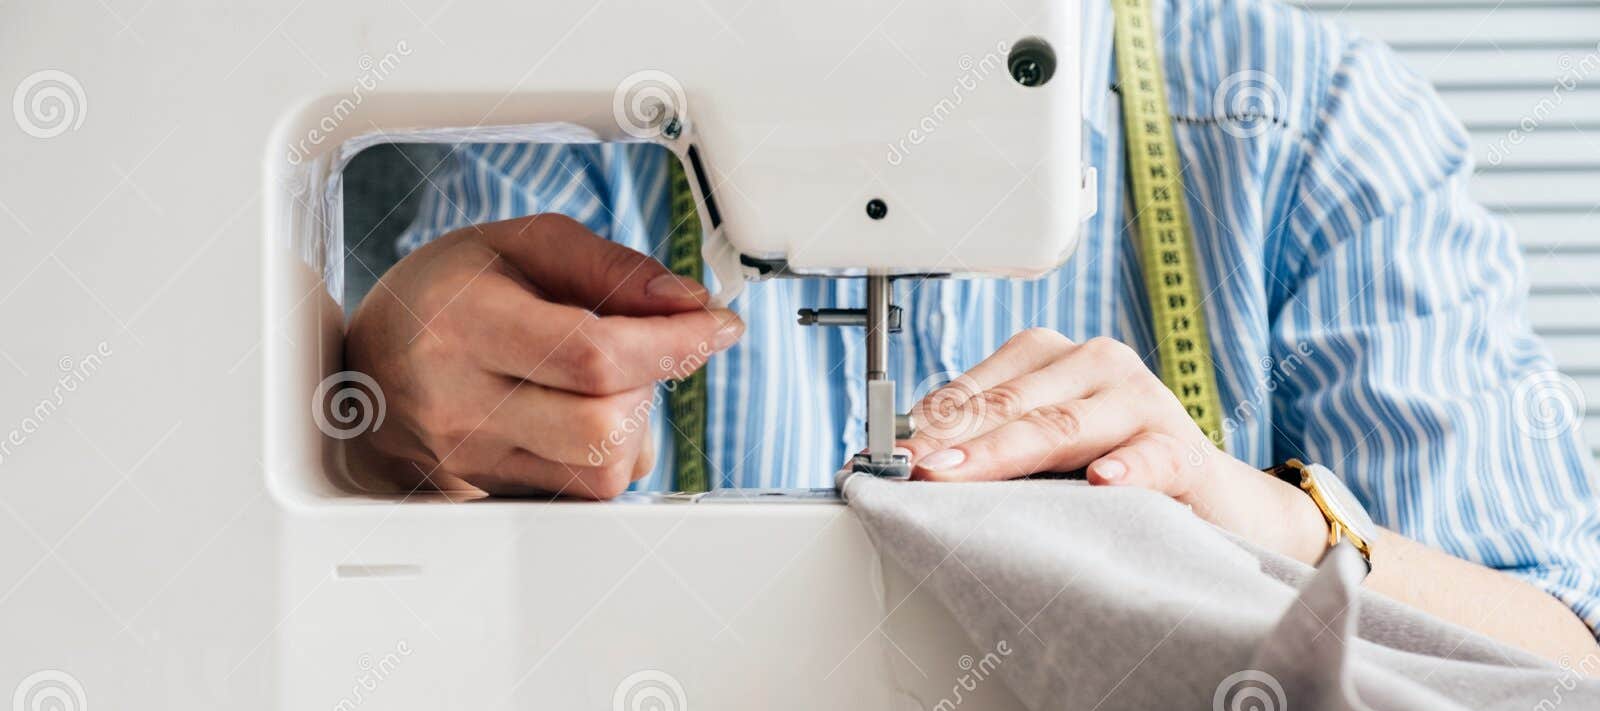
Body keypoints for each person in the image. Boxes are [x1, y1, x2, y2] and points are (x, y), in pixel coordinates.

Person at [344, 0, 1600, 665]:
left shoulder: (1310, 129)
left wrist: (1272, 531)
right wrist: (380, 440)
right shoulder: (562, 136)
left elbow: (1567, 662)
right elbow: (411, 659)